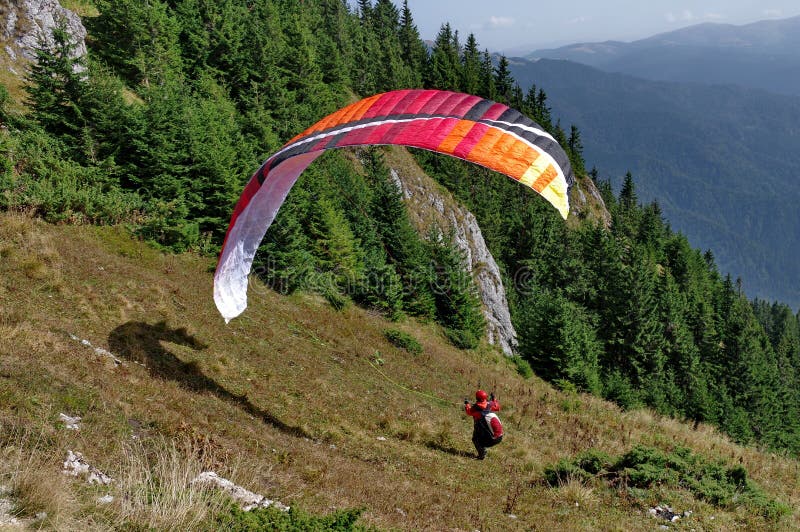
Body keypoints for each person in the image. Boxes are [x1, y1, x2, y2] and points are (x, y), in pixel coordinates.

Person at [464, 389, 502, 459]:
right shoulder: (490, 404)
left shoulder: (476, 408)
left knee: (475, 439)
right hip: (500, 437)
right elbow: (497, 407)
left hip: (492, 439)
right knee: (483, 426)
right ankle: (483, 448)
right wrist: (494, 399)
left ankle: (482, 454)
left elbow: (469, 412)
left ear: (477, 398)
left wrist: (467, 404)